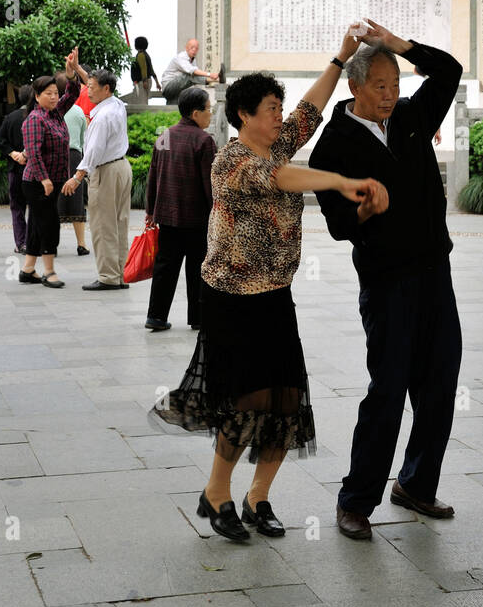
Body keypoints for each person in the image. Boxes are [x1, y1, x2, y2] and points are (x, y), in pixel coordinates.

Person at [152, 27, 382, 543]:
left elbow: (312, 108)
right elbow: (281, 179)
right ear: (243, 117)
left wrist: (341, 59)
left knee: (286, 398)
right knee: (245, 400)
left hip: (275, 293)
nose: (280, 115)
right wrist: (343, 182)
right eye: (270, 108)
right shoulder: (230, 161)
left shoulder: (278, 140)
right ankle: (216, 493)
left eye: (279, 106)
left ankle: (258, 496)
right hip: (232, 300)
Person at [309, 21, 462, 541]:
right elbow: (334, 223)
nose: (391, 96)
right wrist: (366, 213)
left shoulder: (414, 115)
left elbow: (449, 71)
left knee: (440, 383)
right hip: (386, 278)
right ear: (354, 87)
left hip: (434, 272)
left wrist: (397, 45)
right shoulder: (334, 143)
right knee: (388, 389)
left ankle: (417, 483)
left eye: (395, 84)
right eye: (380, 86)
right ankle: (356, 499)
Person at [143, 85, 216, 332]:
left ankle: (156, 316)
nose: (210, 114)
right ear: (195, 113)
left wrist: (150, 211)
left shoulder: (164, 136)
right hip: (196, 218)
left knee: (165, 266)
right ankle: (198, 317)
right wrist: (217, 214)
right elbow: (210, 184)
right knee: (197, 267)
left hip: (167, 217)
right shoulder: (204, 141)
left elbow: (153, 176)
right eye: (208, 109)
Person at [62, 65, 132, 290]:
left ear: (106, 89)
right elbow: (93, 82)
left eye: (92, 87)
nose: (88, 91)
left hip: (106, 171)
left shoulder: (103, 116)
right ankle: (120, 275)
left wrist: (77, 176)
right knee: (120, 224)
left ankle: (108, 277)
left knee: (103, 225)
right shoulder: (117, 104)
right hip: (122, 167)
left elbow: (93, 151)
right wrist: (78, 69)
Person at [20, 51, 81, 288]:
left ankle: (27, 270)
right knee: (49, 223)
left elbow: (73, 93)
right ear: (37, 96)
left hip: (51, 180)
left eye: (56, 93)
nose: (55, 97)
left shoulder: (55, 114)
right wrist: (45, 180)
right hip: (37, 182)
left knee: (37, 223)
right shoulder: (35, 119)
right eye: (49, 94)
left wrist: (70, 73)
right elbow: (33, 153)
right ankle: (49, 271)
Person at [0, 84, 32, 253]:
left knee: (17, 207)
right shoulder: (37, 117)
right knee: (35, 207)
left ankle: (21, 243)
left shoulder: (10, 117)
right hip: (34, 171)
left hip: (15, 170)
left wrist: (12, 153)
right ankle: (33, 241)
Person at [55, 74, 89, 256]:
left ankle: (52, 243)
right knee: (77, 198)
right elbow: (84, 139)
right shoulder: (78, 112)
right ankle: (81, 244)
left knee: (55, 198)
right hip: (75, 156)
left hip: (56, 156)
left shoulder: (51, 111)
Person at [161, 38, 220, 105]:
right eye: (192, 47)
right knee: (189, 76)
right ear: (186, 48)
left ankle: (211, 79)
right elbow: (193, 72)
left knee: (176, 110)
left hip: (176, 91)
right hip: (168, 87)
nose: (194, 50)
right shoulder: (181, 57)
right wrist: (210, 75)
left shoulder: (193, 60)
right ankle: (212, 79)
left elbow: (196, 76)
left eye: (196, 48)